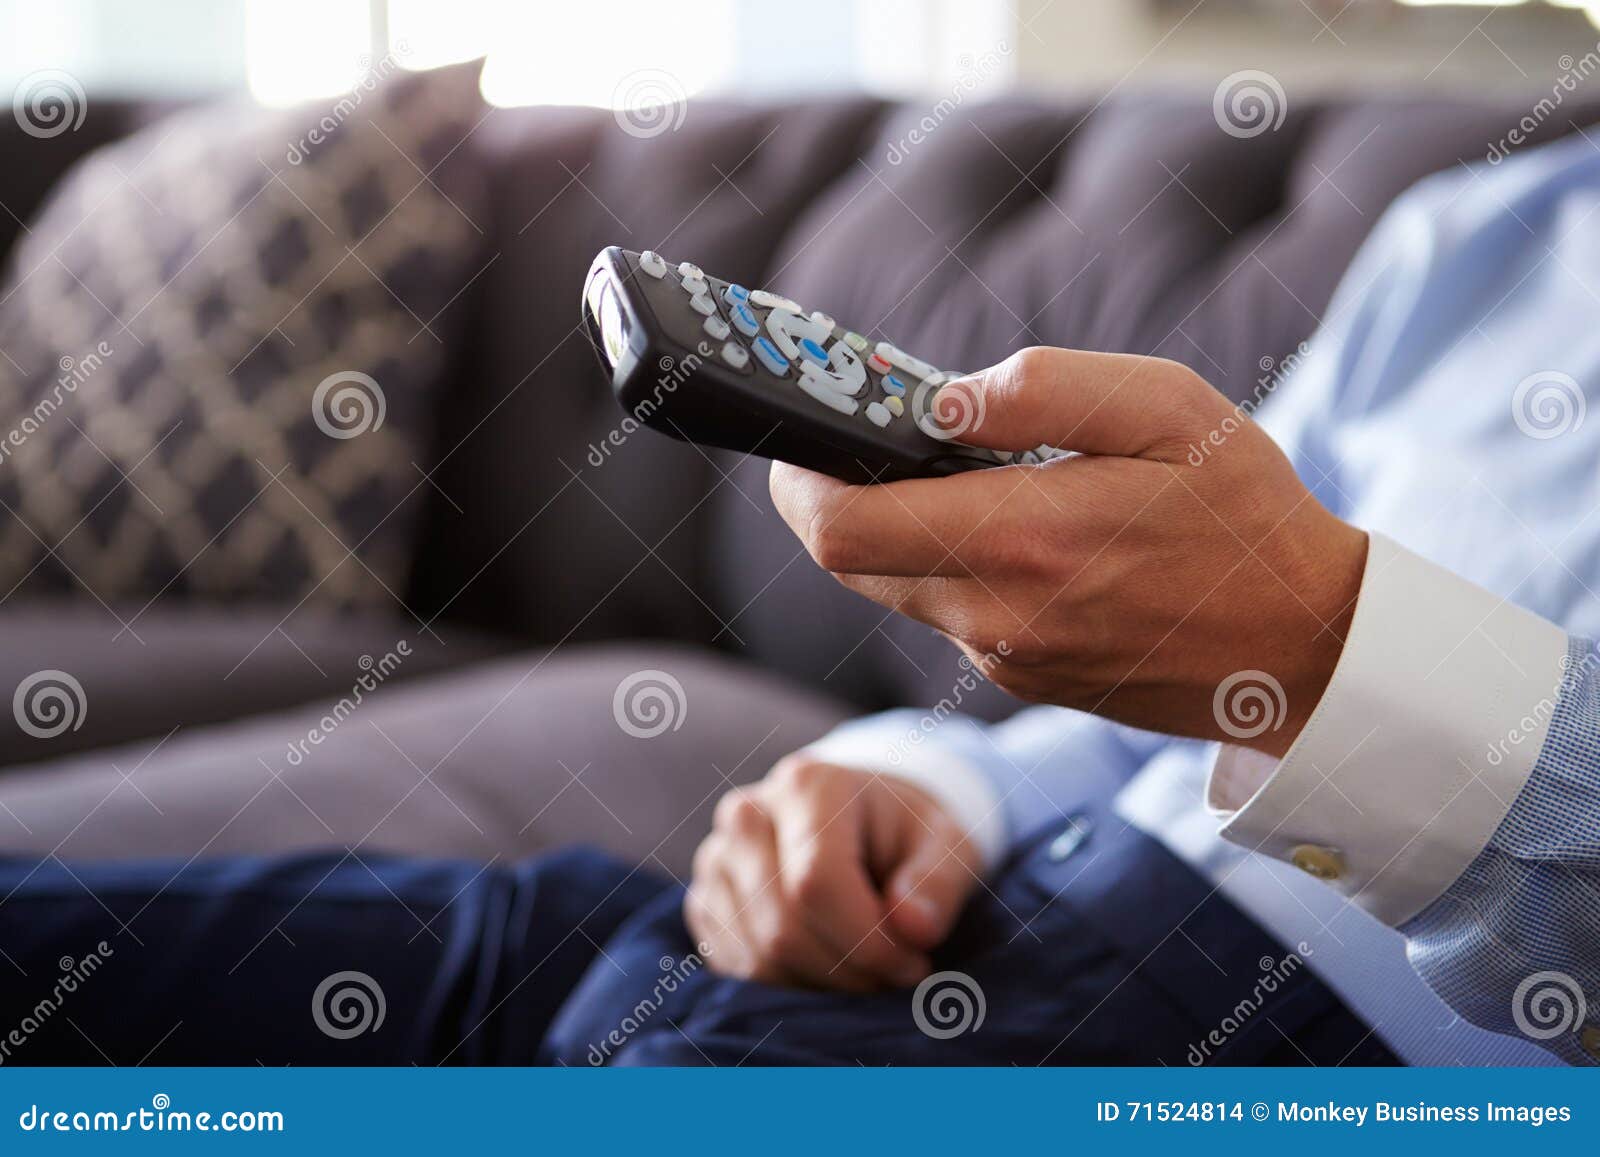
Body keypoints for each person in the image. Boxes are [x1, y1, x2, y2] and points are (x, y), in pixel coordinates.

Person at [3, 129, 1598, 1067]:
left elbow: (1290, 626)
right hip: (918, 915)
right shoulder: (1487, 235)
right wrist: (927, 776)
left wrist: (1323, 647)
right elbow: (1207, 673)